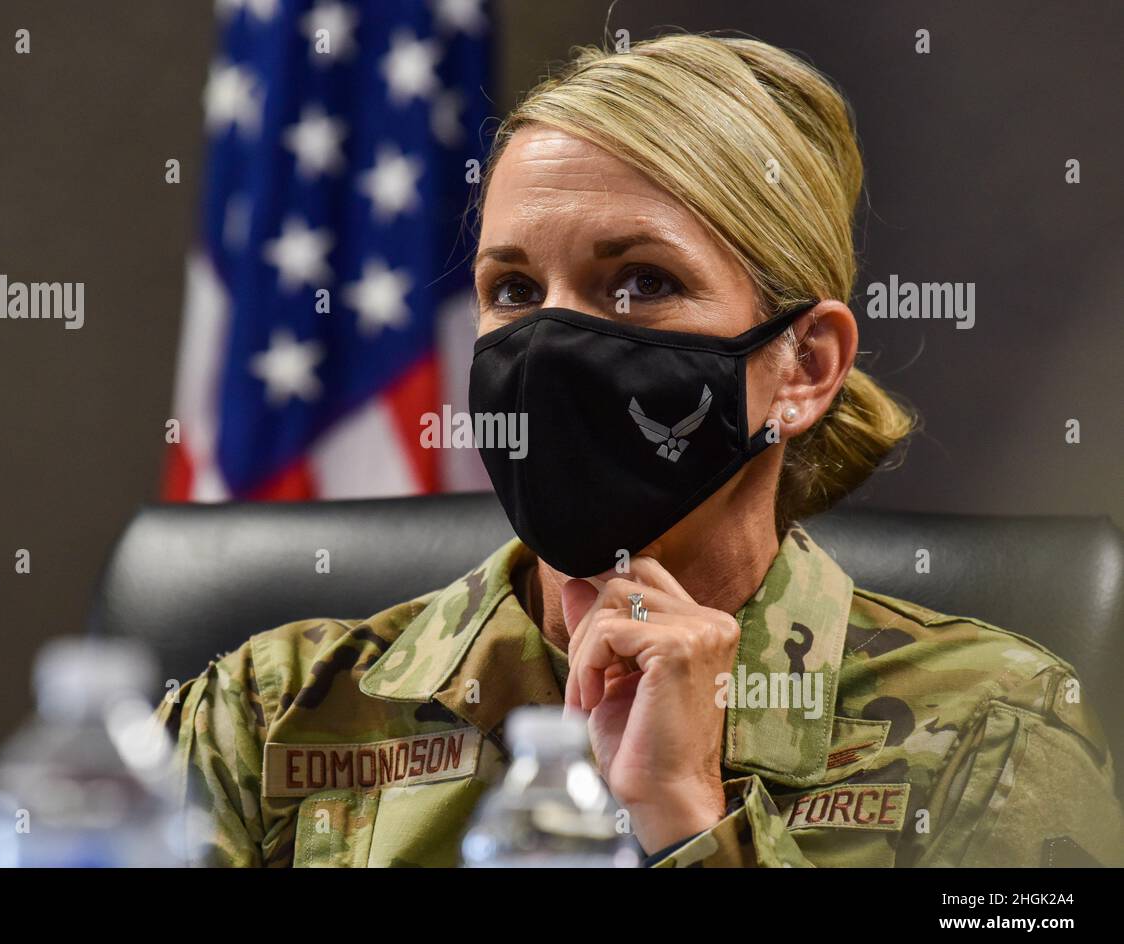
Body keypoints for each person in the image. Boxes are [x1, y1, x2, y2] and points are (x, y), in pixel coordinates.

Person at [155, 32, 1124, 867]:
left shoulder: (992, 731)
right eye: (515, 290)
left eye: (640, 282)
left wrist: (688, 818)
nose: (552, 348)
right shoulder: (271, 714)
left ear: (802, 366)